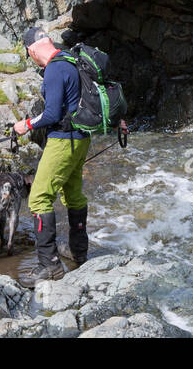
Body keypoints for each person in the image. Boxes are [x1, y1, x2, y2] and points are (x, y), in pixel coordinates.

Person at [12, 25, 126, 285]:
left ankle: (49, 266)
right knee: (72, 193)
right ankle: (78, 251)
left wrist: (25, 125)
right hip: (82, 139)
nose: (32, 58)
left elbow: (51, 114)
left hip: (63, 141)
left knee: (39, 198)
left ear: (32, 49)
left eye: (29, 53)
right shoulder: (72, 59)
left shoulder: (53, 69)